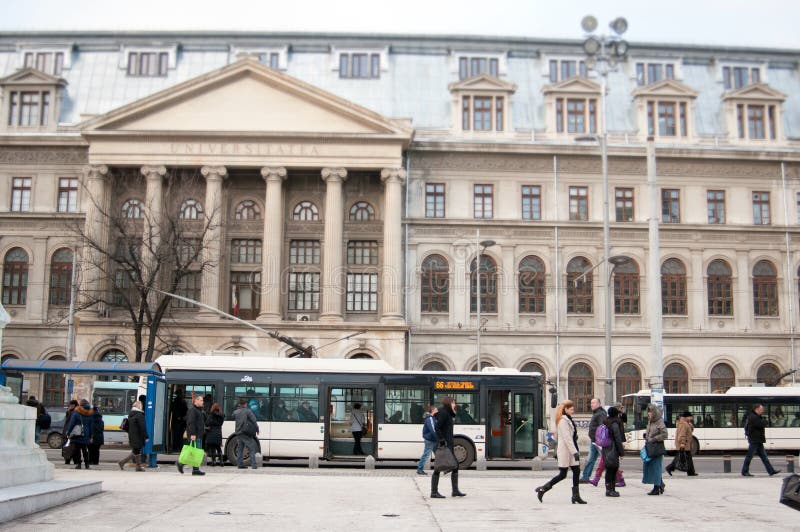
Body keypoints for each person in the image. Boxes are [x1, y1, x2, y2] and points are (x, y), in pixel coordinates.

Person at [535, 400, 586, 504]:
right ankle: (543, 489)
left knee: (576, 471)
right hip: (566, 451)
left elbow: (570, 436)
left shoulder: (568, 419)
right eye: (571, 408)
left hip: (570, 450)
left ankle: (575, 496)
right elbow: (567, 438)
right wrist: (574, 452)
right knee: (563, 474)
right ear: (565, 409)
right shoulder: (563, 421)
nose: (573, 409)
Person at [430, 396, 466, 498]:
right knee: (439, 467)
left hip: (448, 444)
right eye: (453, 403)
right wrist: (442, 440)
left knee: (455, 465)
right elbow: (437, 427)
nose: (455, 405)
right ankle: (434, 492)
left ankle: (455, 491)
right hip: (444, 444)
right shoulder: (444, 413)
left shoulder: (448, 413)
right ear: (448, 403)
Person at [742, 404, 781, 477]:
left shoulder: (755, 416)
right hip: (754, 440)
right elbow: (761, 424)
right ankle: (744, 471)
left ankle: (771, 471)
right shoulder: (753, 417)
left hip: (758, 440)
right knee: (749, 456)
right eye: (761, 409)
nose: (762, 410)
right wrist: (766, 421)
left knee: (764, 457)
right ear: (757, 409)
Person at [642, 404, 668, 495]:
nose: (649, 413)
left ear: (654, 412)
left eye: (651, 411)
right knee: (651, 467)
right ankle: (660, 483)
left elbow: (665, 434)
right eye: (648, 411)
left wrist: (654, 438)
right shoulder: (650, 421)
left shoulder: (659, 421)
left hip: (656, 448)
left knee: (656, 468)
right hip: (650, 447)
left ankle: (656, 488)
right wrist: (646, 437)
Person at [580, 398, 607, 484]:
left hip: (598, 441)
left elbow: (603, 427)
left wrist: (599, 440)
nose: (592, 404)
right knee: (591, 459)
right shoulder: (597, 413)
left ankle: (617, 477)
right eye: (591, 403)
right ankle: (585, 477)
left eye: (594, 403)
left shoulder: (600, 414)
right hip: (594, 441)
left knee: (607, 459)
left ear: (599, 404)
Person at [177, 394, 205, 475]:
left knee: (196, 452)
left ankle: (195, 469)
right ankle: (181, 463)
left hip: (198, 434)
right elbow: (191, 423)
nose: (203, 402)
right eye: (201, 400)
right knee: (193, 452)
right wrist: (192, 434)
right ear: (196, 401)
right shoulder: (193, 410)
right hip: (195, 435)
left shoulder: (199, 410)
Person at [600, 406, 625, 497]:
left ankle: (609, 489)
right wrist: (621, 452)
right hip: (612, 448)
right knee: (613, 469)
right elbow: (618, 438)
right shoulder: (615, 423)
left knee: (609, 469)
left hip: (606, 448)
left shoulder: (606, 421)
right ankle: (611, 490)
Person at [118, 400, 148, 472]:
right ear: (139, 406)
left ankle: (138, 466)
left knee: (136, 451)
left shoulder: (131, 414)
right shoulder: (139, 415)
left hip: (132, 435)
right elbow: (142, 427)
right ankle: (123, 462)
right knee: (136, 450)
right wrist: (146, 436)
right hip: (138, 435)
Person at [64, 399, 94, 469]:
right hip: (86, 433)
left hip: (77, 433)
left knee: (77, 450)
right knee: (85, 449)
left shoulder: (77, 412)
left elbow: (72, 423)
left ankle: (79, 464)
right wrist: (91, 436)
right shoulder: (90, 413)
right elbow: (91, 425)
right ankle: (87, 464)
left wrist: (68, 432)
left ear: (80, 405)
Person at [666, 411, 697, 477]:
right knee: (681, 457)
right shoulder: (683, 424)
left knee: (687, 458)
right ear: (687, 417)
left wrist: (690, 425)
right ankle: (670, 467)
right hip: (684, 444)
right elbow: (682, 434)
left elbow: (690, 431)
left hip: (686, 444)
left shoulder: (686, 423)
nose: (691, 418)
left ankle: (691, 472)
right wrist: (682, 443)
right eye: (690, 417)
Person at [233, 397, 260, 469]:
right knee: (251, 448)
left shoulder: (236, 412)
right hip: (246, 432)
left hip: (238, 433)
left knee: (240, 449)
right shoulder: (248, 411)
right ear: (245, 404)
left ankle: (240, 464)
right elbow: (254, 420)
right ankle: (254, 465)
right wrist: (257, 429)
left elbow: (233, 416)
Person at [417, 405, 438, 475]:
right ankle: (419, 469)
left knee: (438, 454)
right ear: (433, 411)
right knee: (426, 454)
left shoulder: (432, 418)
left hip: (432, 439)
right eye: (436, 409)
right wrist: (437, 437)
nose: (437, 410)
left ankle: (440, 468)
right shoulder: (430, 419)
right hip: (430, 439)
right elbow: (432, 430)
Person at [62, 399, 79, 464]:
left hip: (72, 431)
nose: (71, 406)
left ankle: (74, 460)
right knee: (67, 446)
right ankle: (67, 459)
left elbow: (72, 423)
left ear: (75, 405)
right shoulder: (69, 412)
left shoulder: (76, 412)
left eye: (72, 405)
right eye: (70, 405)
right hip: (67, 430)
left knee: (73, 446)